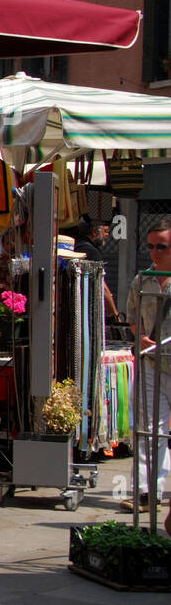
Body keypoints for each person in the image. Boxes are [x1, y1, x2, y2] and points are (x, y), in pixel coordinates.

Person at [124, 217, 171, 513]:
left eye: (162, 247)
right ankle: (144, 492)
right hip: (152, 361)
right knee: (149, 427)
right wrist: (139, 337)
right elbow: (132, 318)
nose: (155, 252)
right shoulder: (142, 279)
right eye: (152, 246)